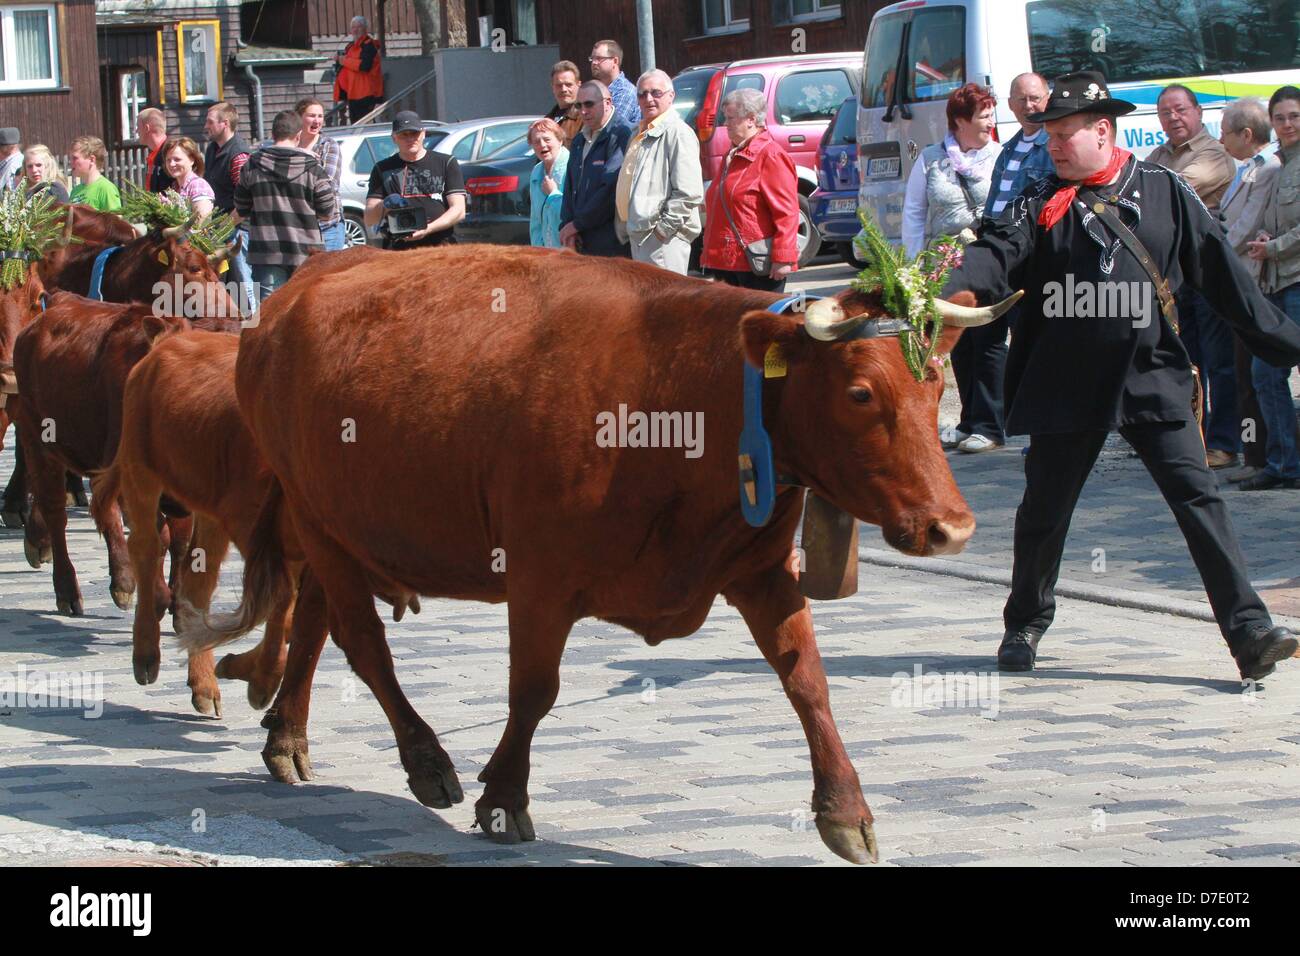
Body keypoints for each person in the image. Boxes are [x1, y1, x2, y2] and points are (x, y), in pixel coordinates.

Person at [941, 71, 1300, 681]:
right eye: (1048, 133)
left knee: (1201, 500)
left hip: (1150, 378)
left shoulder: (1165, 191)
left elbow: (1225, 280)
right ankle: (1024, 622)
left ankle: (1248, 632)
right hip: (1065, 382)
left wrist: (1289, 341)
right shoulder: (1037, 201)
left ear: (1102, 131)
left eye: (1064, 133)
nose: (1052, 144)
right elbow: (992, 256)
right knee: (1043, 514)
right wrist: (940, 292)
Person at [905, 83, 1003, 453]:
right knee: (958, 341)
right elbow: (915, 212)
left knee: (989, 340)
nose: (990, 121)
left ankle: (991, 424)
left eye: (992, 113)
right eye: (983, 115)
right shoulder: (931, 158)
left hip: (988, 257)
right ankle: (969, 420)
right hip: (945, 261)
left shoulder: (1000, 155)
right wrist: (916, 265)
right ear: (960, 121)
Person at [1148, 84, 1242, 469]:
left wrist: (1144, 190)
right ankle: (1193, 439)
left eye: (1180, 109)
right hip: (1175, 275)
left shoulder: (1213, 154)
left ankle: (1225, 441)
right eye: (1166, 112)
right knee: (1188, 361)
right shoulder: (1158, 155)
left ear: (1198, 112)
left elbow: (1173, 189)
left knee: (1220, 362)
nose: (1173, 117)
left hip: (1208, 270)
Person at [1219, 97, 1295, 486]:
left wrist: (1214, 256)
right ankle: (1262, 457)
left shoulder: (1269, 167)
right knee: (1251, 376)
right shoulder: (1261, 166)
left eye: (1224, 134)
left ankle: (1268, 458)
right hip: (1258, 278)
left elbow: (1244, 227)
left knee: (1260, 374)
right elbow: (1258, 221)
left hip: (1264, 278)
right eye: (1279, 117)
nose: (1221, 141)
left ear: (1246, 134)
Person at [1245, 85, 1300, 491]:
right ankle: (1284, 464)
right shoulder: (1276, 165)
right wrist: (1266, 236)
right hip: (1275, 283)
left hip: (1296, 279)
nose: (1287, 124)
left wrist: (1275, 247)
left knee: (1270, 370)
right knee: (1265, 373)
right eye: (1279, 117)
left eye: (1294, 116)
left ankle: (1285, 465)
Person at [700, 88, 799, 292]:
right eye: (725, 117)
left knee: (758, 323)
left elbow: (787, 213)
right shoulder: (732, 154)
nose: (725, 123)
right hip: (727, 262)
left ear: (751, 119)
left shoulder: (770, 155)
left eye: (731, 118)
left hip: (754, 264)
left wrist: (783, 258)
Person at [233, 110, 338, 301]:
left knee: (269, 316)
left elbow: (241, 208)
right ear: (298, 135)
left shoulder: (251, 166)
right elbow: (327, 213)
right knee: (303, 312)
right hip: (307, 254)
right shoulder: (314, 168)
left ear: (272, 135)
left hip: (265, 252)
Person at [614, 70, 703, 274]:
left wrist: (662, 231)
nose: (649, 99)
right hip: (639, 236)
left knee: (667, 305)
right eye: (642, 94)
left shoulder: (678, 132)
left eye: (656, 93)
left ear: (671, 96)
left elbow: (689, 192)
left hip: (663, 240)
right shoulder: (638, 133)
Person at [365, 110, 465, 250]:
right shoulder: (382, 169)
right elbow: (370, 219)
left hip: (441, 246)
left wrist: (428, 229)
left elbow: (459, 210)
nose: (410, 139)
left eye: (414, 133)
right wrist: (384, 205)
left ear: (423, 133)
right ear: (394, 138)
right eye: (403, 134)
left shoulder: (446, 162)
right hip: (398, 248)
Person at [558, 81, 632, 257]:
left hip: (611, 243)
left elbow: (610, 190)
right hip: (581, 239)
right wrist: (567, 226)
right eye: (579, 105)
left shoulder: (622, 134)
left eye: (589, 104)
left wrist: (576, 225)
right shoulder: (578, 140)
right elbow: (569, 187)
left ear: (608, 102)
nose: (583, 111)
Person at [203, 102, 254, 312]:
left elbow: (246, 200)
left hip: (238, 232)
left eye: (209, 121)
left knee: (245, 285)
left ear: (225, 124)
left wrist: (225, 228)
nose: (205, 126)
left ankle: (256, 324)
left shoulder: (238, 156)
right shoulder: (213, 150)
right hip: (220, 230)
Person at [984, 73, 1054, 219]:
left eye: (1035, 98)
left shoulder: (1054, 147)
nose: (1028, 106)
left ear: (1048, 100)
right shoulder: (1007, 150)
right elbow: (993, 199)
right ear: (1010, 104)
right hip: (997, 234)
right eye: (1021, 99)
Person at [297, 97, 345, 250]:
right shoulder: (291, 146)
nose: (317, 121)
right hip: (299, 228)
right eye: (311, 116)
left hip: (327, 227)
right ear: (299, 117)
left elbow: (329, 185)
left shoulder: (329, 146)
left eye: (320, 116)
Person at [527, 118, 569, 248]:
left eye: (547, 139)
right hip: (545, 252)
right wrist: (537, 250)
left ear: (560, 140)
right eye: (536, 141)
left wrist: (553, 194)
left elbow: (570, 214)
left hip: (568, 249)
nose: (542, 145)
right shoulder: (536, 172)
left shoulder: (572, 166)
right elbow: (535, 220)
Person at [334, 15, 383, 125]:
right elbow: (345, 70)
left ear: (366, 28)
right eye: (353, 27)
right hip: (352, 95)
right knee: (355, 129)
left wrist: (343, 60)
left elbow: (364, 66)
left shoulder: (369, 45)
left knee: (367, 128)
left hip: (368, 95)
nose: (355, 30)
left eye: (359, 27)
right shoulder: (350, 47)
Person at [589, 40, 639, 128]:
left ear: (615, 61)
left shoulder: (624, 91)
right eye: (592, 58)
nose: (594, 62)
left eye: (599, 58)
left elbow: (611, 128)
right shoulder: (596, 91)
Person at [162, 137, 214, 220]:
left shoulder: (198, 186)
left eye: (177, 159)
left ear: (192, 160)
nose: (171, 164)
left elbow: (201, 224)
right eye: (168, 160)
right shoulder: (175, 187)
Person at [67, 136, 121, 211]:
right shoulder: (75, 191)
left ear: (92, 160)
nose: (70, 162)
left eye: (75, 158)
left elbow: (115, 221)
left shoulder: (105, 188)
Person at [545, 60, 583, 147]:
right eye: (559, 85)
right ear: (552, 87)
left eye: (568, 84)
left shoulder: (586, 118)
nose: (564, 89)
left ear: (579, 85)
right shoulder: (548, 120)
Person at [136, 108, 173, 193]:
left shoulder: (170, 153)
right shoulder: (154, 154)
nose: (136, 131)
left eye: (138, 126)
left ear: (146, 128)